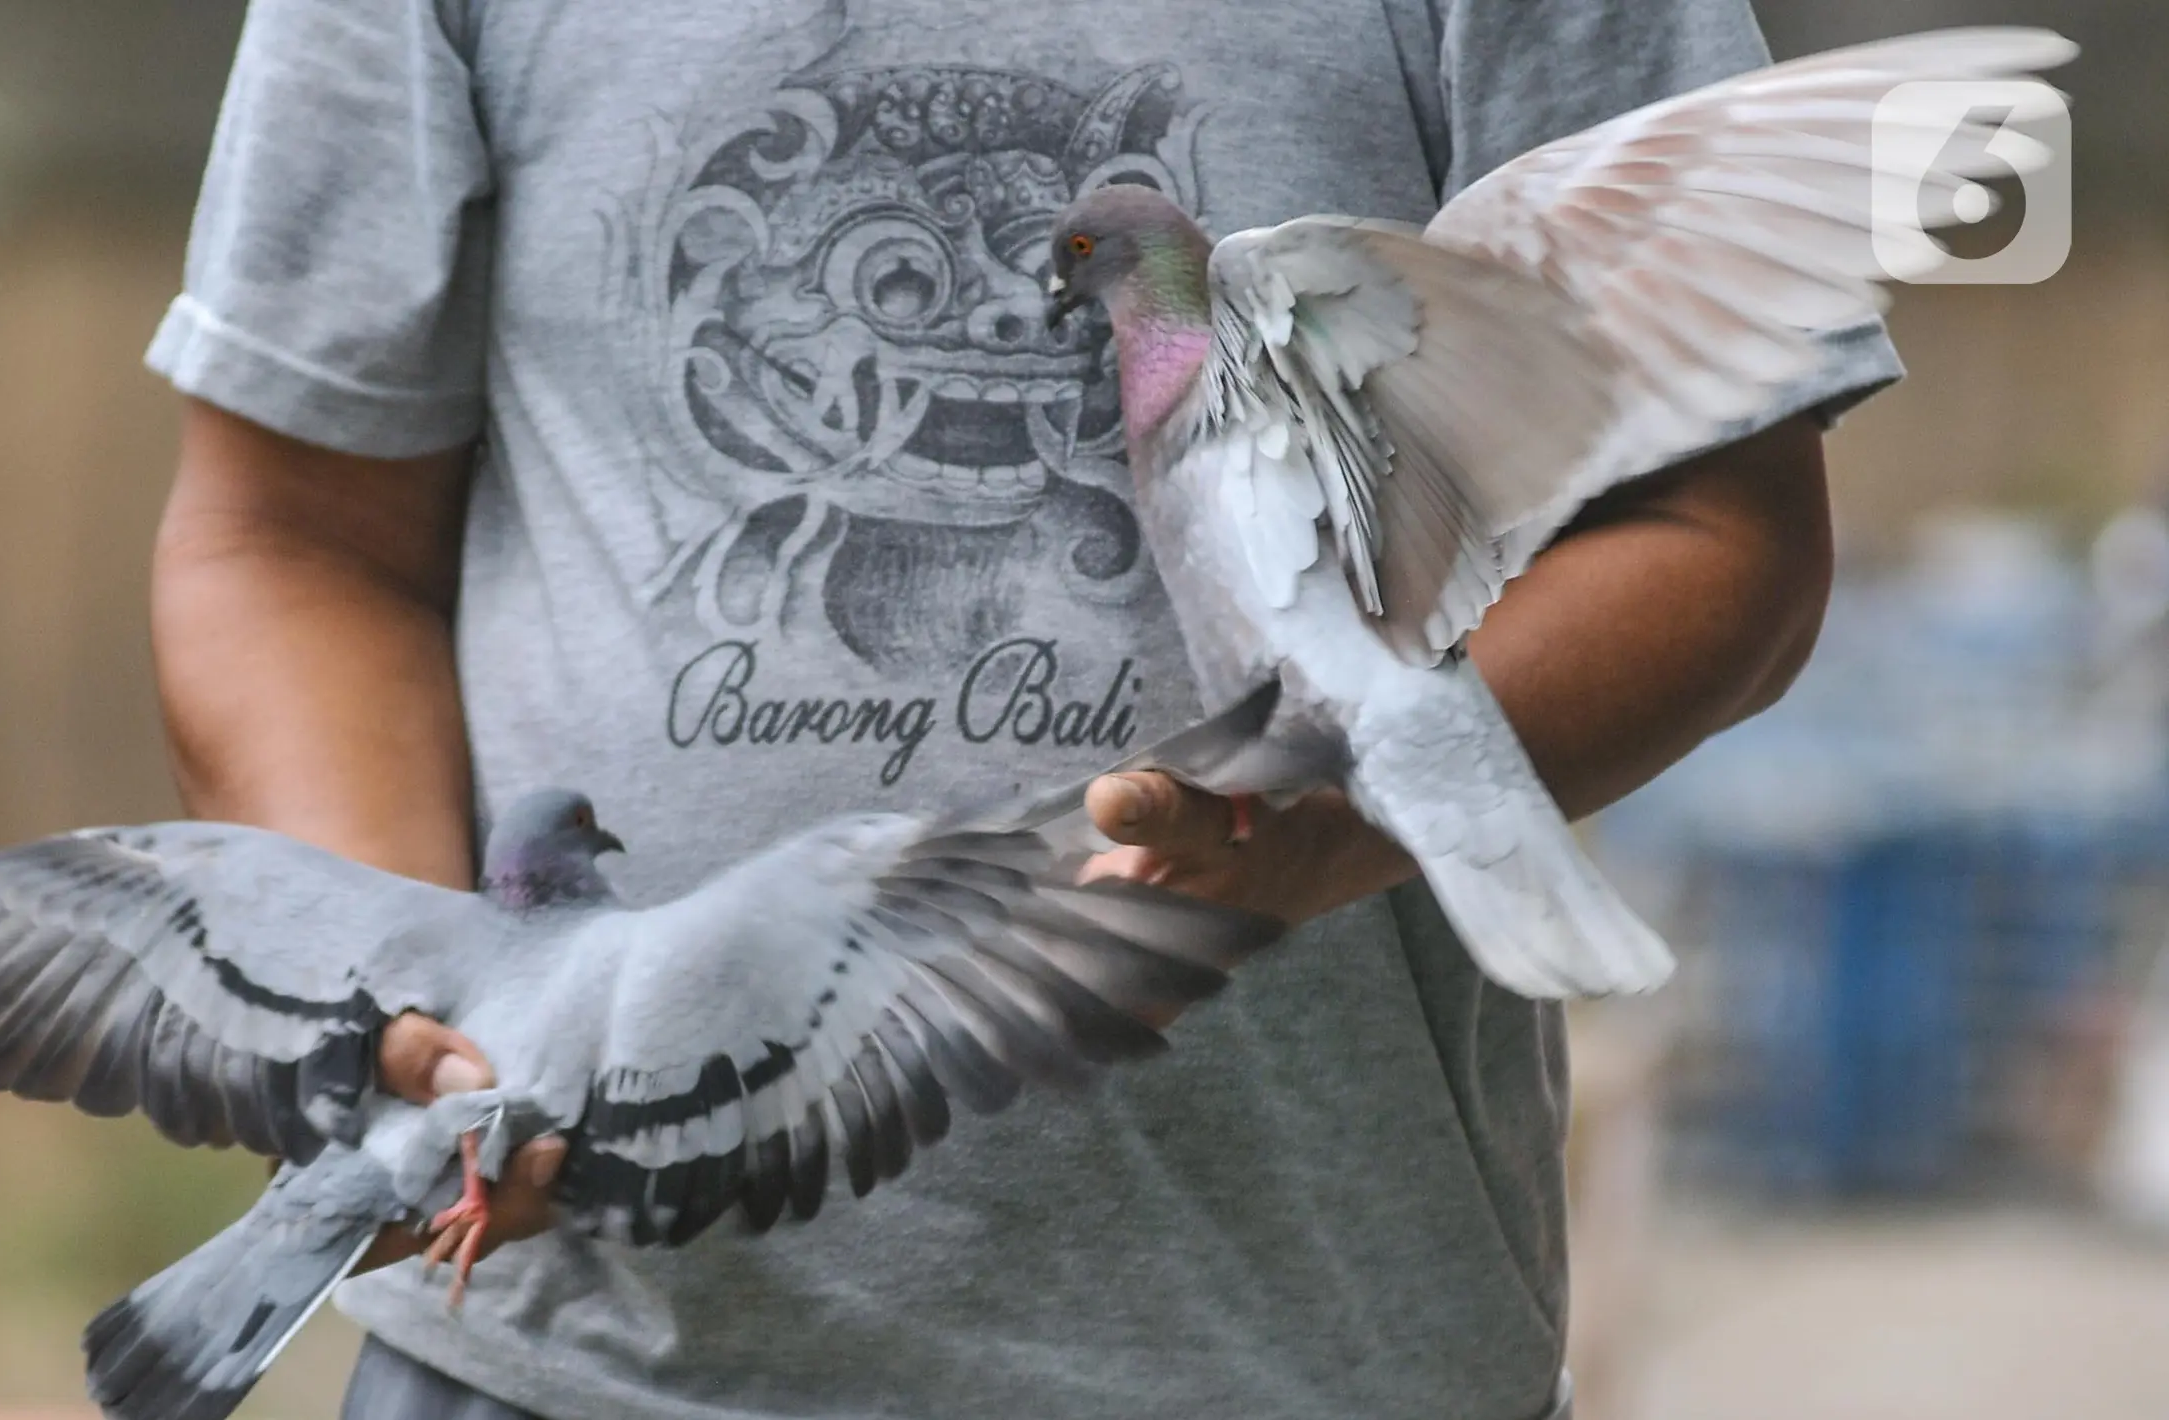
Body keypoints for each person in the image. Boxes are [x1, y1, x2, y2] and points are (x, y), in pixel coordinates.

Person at [146, 1, 1899, 1416]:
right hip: (558, 1365)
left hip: (1290, 1358)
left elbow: (1719, 537)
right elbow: (285, 549)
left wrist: (1341, 814)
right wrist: (415, 1021)